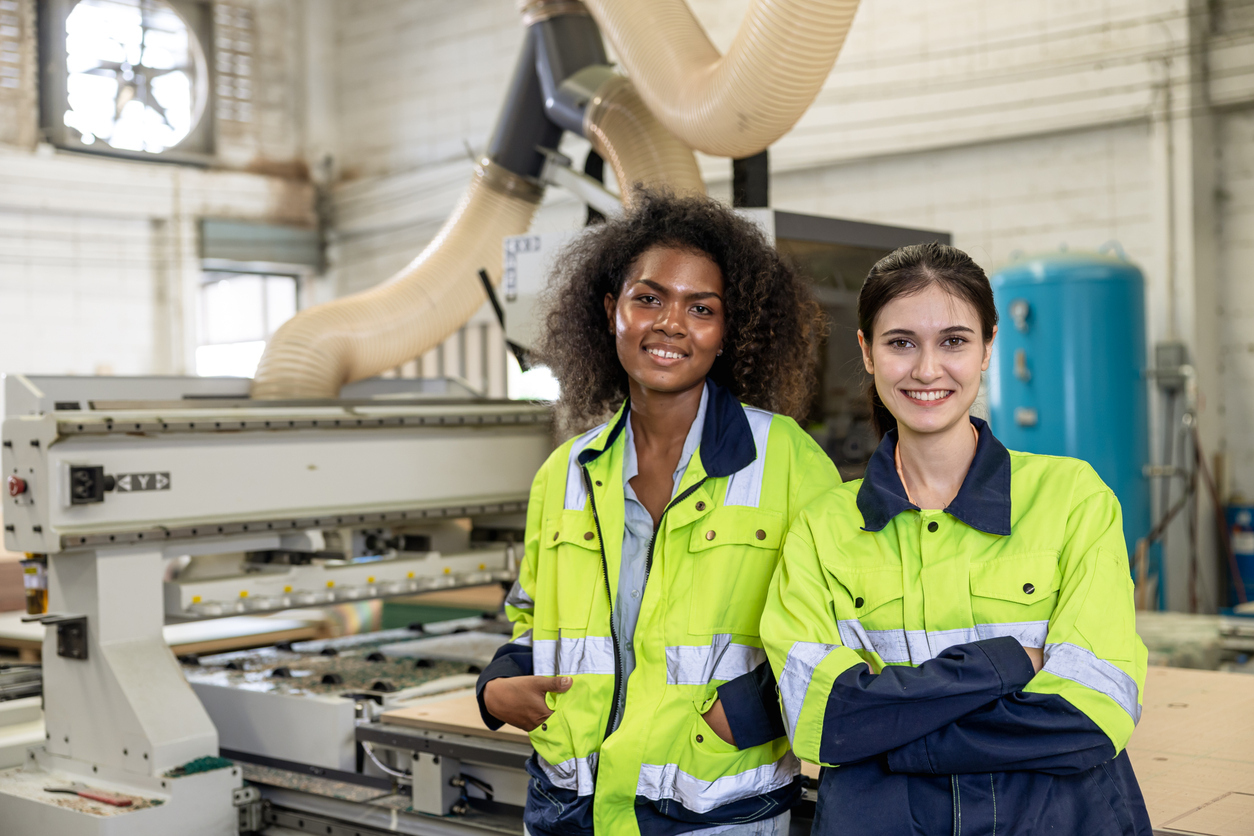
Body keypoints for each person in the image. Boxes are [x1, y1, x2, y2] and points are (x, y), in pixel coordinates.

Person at [474, 189, 840, 836]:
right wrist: (499, 684)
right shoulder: (565, 473)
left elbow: (845, 627)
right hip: (570, 807)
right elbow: (533, 618)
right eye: (649, 298)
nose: (671, 323)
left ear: (728, 332)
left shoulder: (785, 461)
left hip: (712, 811)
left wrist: (746, 714)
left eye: (701, 308)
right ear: (613, 309)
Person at [760, 242, 1152, 835]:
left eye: (953, 341)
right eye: (900, 343)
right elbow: (823, 720)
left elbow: (1092, 714)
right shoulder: (824, 529)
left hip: (1057, 820)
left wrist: (891, 735)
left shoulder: (1072, 499)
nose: (926, 369)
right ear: (867, 352)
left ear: (989, 346)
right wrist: (1006, 664)